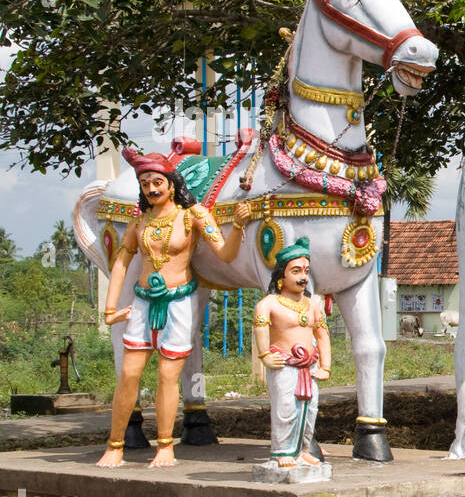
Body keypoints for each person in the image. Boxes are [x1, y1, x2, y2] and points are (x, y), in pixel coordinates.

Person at [99, 145, 251, 468]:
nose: (151, 189)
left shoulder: (193, 216)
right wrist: (111, 309)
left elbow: (224, 255)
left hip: (179, 301)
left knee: (168, 376)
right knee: (129, 374)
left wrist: (236, 227)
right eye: (145, 184)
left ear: (172, 183)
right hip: (142, 302)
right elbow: (122, 264)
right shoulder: (138, 223)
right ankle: (115, 445)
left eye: (157, 182)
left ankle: (165, 446)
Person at [252, 238, 331, 469]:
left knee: (309, 411)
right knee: (285, 409)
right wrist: (265, 355)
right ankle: (282, 451)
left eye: (306, 271)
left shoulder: (313, 305)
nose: (303, 277)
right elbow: (260, 328)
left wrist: (325, 366)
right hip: (284, 364)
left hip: (309, 366)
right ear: (281, 276)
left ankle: (303, 450)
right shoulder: (269, 304)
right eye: (296, 271)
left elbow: (322, 335)